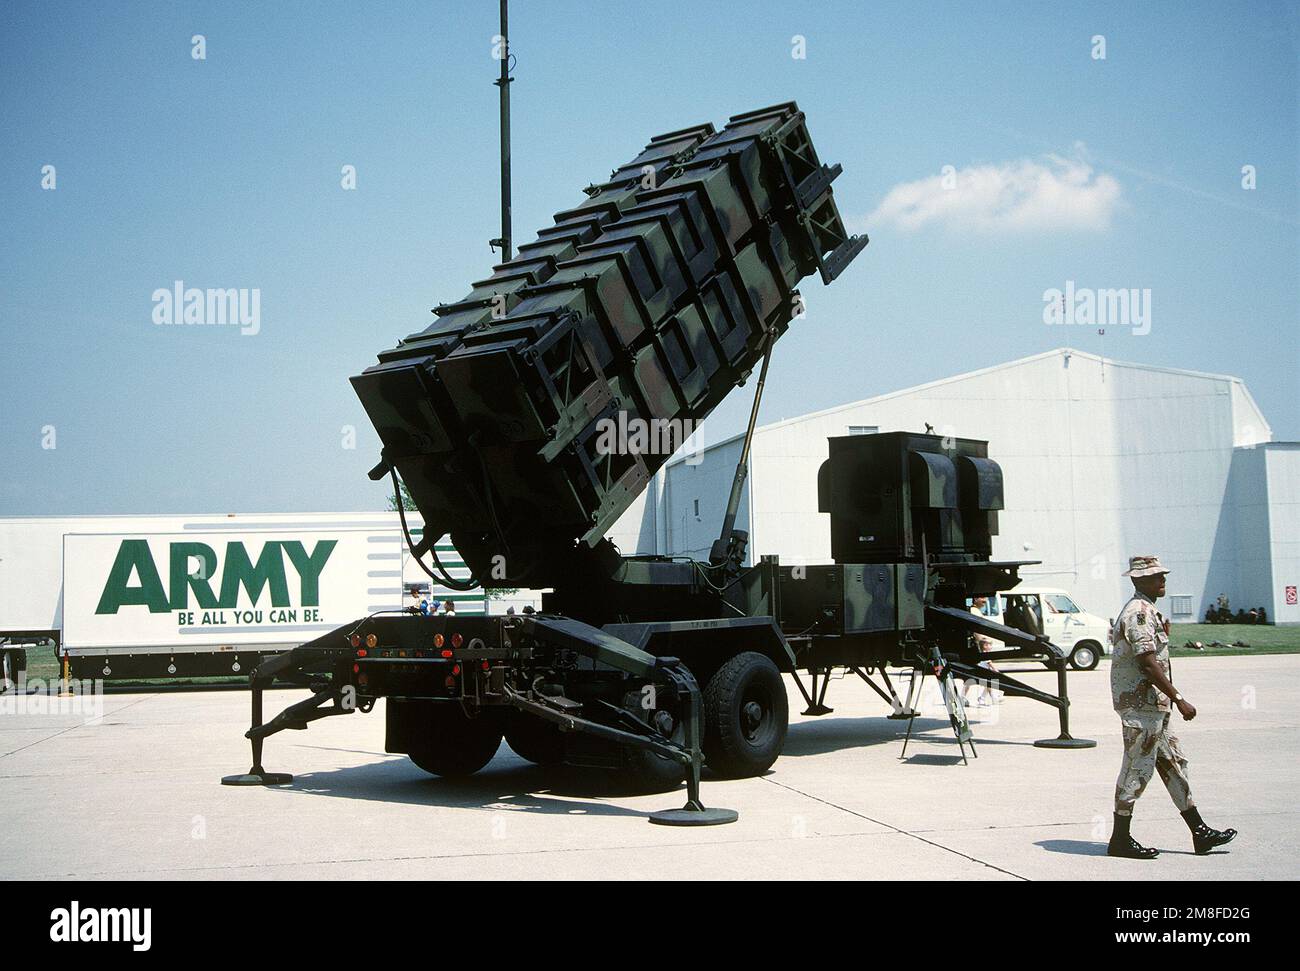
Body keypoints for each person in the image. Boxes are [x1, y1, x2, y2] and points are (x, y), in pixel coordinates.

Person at [1107, 554, 1237, 859]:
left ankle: (1200, 832)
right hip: (1141, 707)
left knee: (1175, 766)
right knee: (1136, 769)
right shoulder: (1138, 613)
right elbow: (1147, 664)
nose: (1162, 579)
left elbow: (1152, 655)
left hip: (1154, 707)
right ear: (1138, 580)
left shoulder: (1149, 611)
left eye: (1162, 574)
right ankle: (1120, 840)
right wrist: (1179, 698)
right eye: (1155, 576)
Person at [963, 596, 1000, 706]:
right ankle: (989, 697)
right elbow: (977, 630)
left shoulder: (976, 611)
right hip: (979, 649)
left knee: (981, 678)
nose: (985, 600)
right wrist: (983, 645)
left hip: (980, 648)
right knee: (976, 677)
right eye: (982, 598)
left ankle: (988, 697)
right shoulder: (974, 611)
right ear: (975, 599)